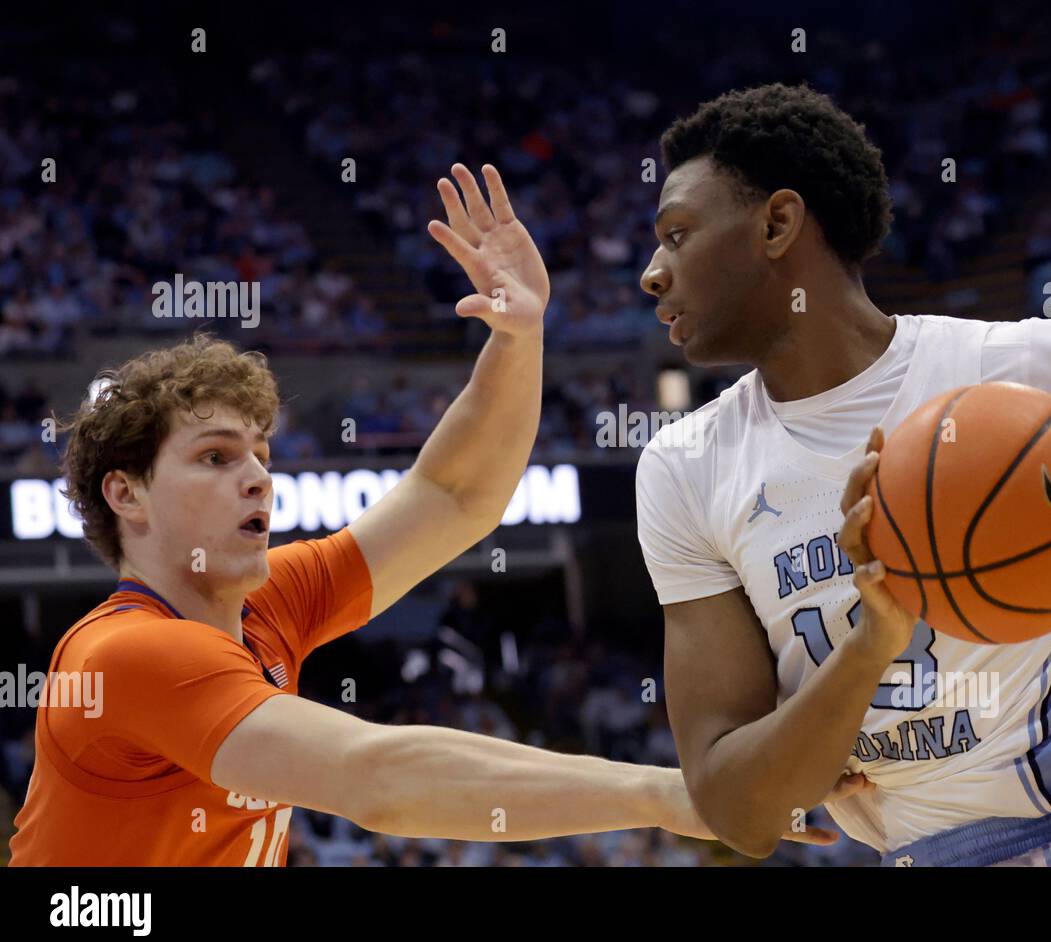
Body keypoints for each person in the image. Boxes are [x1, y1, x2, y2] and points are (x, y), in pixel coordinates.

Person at [9, 164, 859, 866]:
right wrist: (671, 791)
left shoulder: (266, 606)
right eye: (216, 457)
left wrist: (518, 340)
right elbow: (379, 776)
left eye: (262, 453)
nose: (259, 478)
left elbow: (455, 498)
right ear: (127, 495)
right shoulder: (128, 654)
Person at [634, 84, 1051, 866]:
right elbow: (740, 813)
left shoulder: (1026, 368)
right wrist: (873, 642)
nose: (651, 273)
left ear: (777, 224)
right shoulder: (684, 468)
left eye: (676, 235)